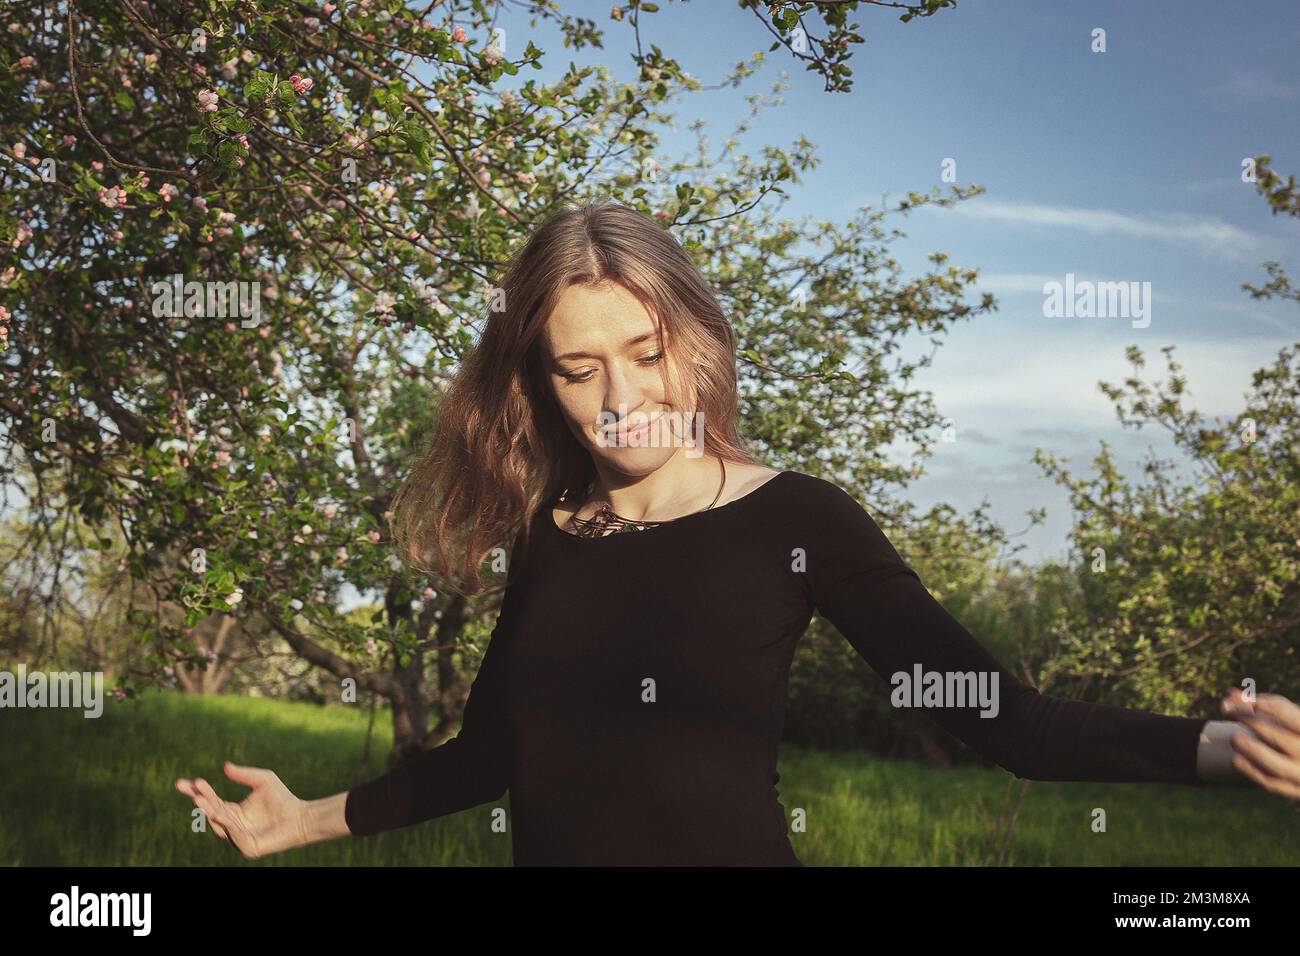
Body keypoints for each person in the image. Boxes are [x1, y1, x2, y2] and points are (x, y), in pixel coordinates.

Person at [176, 202, 1300, 865]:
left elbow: (1011, 724)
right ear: (539, 383)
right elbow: (494, 756)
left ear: (698, 343)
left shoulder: (799, 518)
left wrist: (1225, 747)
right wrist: (301, 821)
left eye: (647, 350)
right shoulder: (554, 532)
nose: (623, 396)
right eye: (580, 367)